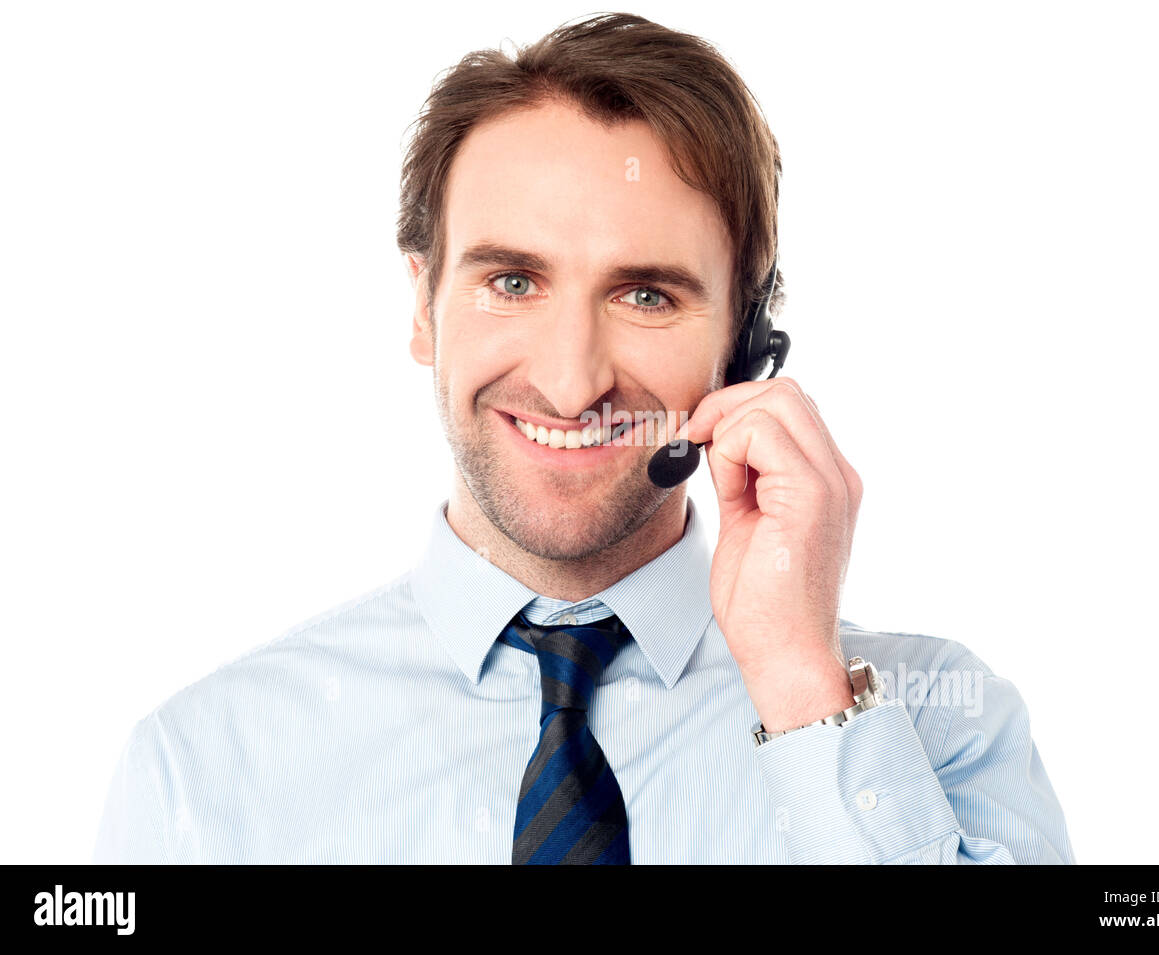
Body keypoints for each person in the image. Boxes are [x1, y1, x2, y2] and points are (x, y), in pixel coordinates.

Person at [94, 12, 1074, 865]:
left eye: (645, 294)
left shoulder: (943, 726)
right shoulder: (200, 767)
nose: (570, 382)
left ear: (744, 344)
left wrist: (802, 689)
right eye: (512, 281)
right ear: (424, 305)